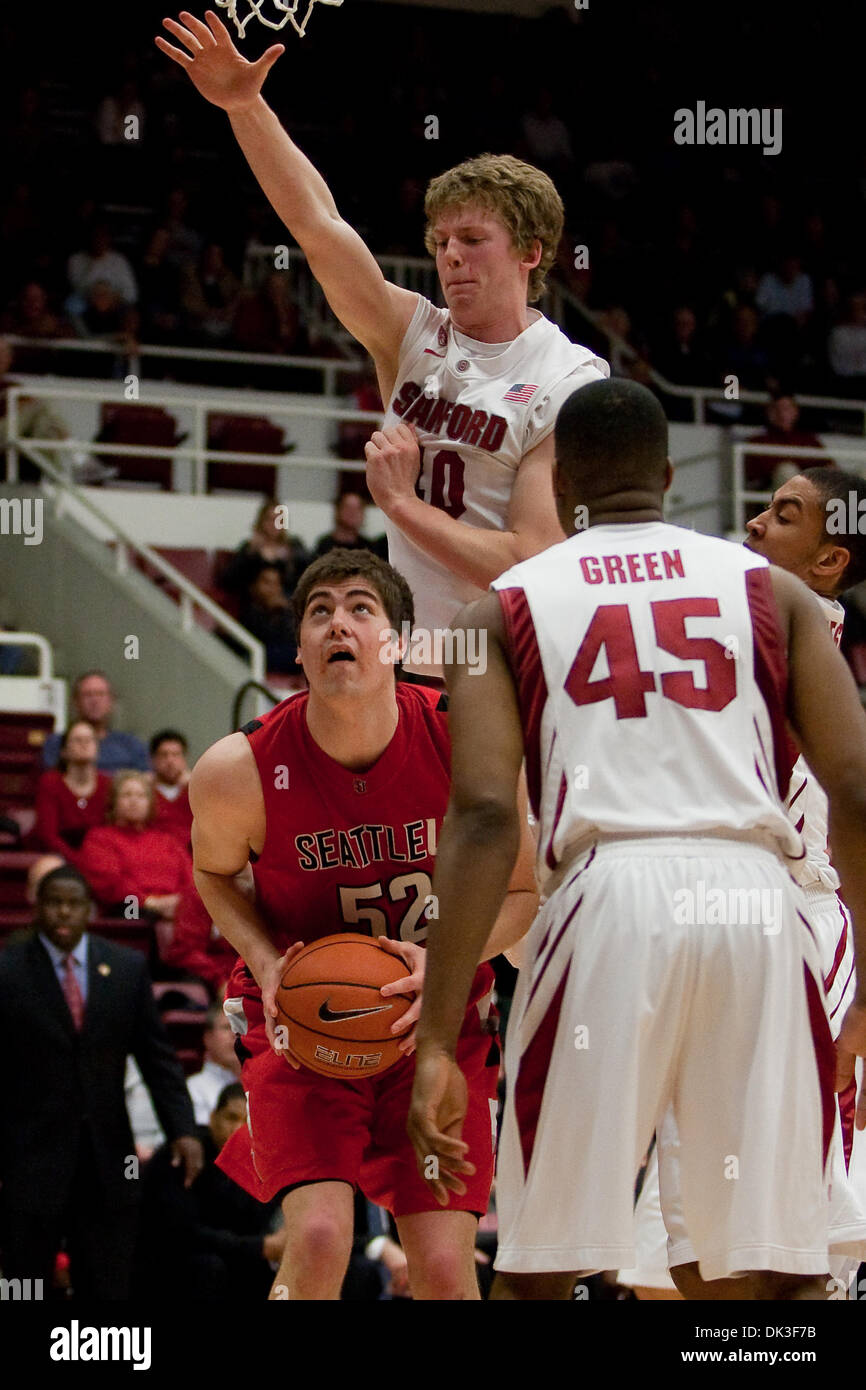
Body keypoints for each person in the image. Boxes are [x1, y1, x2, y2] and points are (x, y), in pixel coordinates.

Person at [407, 378, 866, 1301]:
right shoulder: (778, 594)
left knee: (543, 1269)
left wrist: (434, 1038)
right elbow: (856, 788)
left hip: (607, 899)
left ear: (564, 480)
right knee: (768, 1277)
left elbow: (488, 816)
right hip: (761, 906)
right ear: (666, 474)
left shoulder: (494, 610)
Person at [156, 10, 608, 679]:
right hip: (409, 671)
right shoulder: (411, 333)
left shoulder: (569, 377)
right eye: (441, 242)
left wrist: (400, 506)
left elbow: (527, 560)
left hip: (510, 675)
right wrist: (245, 106)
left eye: (472, 240)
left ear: (530, 253)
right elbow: (318, 225)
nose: (450, 257)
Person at [188, 548, 539, 1299]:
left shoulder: (470, 744)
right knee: (318, 1239)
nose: (337, 622)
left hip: (435, 1023)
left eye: (359, 607)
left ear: (398, 644)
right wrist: (266, 957)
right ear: (300, 650)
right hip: (305, 1026)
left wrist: (441, 963)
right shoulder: (237, 769)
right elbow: (212, 873)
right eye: (319, 611)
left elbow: (521, 893)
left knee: (446, 1266)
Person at [619, 465, 866, 1300]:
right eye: (763, 506)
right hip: (712, 922)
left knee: (794, 1241)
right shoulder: (740, 621)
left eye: (783, 515)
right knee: (677, 1258)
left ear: (829, 561)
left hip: (796, 923)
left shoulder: (797, 637)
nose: (755, 523)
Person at [0, 865, 201, 1298]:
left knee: (107, 1280)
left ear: (89, 909)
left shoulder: (125, 968)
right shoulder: (8, 970)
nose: (63, 914)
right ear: (37, 907)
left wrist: (183, 1129)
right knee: (23, 1282)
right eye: (54, 903)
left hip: (107, 1157)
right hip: (30, 1158)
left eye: (73, 904)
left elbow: (158, 1058)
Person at [135, 1082, 284, 1300]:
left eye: (248, 1123)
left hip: (233, 1259)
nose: (237, 1130)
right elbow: (180, 1234)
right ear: (213, 1117)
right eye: (231, 1118)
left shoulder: (262, 1163)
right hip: (168, 1263)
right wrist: (258, 1246)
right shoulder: (182, 1154)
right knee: (209, 1267)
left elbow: (260, 1227)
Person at [78, 769, 193, 919]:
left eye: (141, 796)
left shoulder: (167, 841)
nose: (134, 800)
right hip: (129, 908)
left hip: (175, 907)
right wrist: (150, 902)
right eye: (127, 795)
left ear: (150, 803)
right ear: (113, 801)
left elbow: (190, 879)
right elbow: (110, 884)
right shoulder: (99, 838)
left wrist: (181, 902)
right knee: (136, 912)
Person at [41, 670, 150, 772]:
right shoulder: (56, 744)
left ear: (111, 701)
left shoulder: (131, 745)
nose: (95, 701)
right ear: (76, 702)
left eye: (100, 694)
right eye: (88, 695)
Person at [34, 720, 112, 860]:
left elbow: (111, 832)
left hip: (97, 856)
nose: (84, 744)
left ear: (97, 749)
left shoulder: (108, 784)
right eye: (77, 740)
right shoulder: (50, 782)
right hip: (56, 856)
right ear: (64, 751)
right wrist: (78, 861)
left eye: (89, 740)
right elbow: (48, 836)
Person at [218, 500, 309, 600]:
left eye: (280, 520)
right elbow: (228, 580)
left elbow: (306, 576)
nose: (274, 524)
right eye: (270, 519)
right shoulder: (250, 548)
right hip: (256, 603)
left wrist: (289, 558)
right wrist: (252, 553)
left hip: (286, 600)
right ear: (261, 521)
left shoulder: (294, 547)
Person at [743, 392, 825, 493]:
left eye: (787, 409)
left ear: (796, 411)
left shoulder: (809, 440)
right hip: (770, 499)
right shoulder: (757, 441)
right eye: (776, 409)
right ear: (769, 412)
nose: (782, 414)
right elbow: (752, 481)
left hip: (807, 496)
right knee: (786, 471)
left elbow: (828, 468)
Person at [237, 561, 301, 679]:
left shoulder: (287, 610)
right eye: (267, 583)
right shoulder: (249, 612)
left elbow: (294, 642)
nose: (273, 589)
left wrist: (285, 612)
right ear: (253, 586)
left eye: (276, 584)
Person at [186, 1002, 242, 1123]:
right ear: (207, 1038)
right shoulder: (193, 1089)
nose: (235, 1035)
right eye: (227, 1027)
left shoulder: (261, 1086)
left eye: (240, 1028)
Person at [151, 728, 193, 850]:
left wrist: (195, 782)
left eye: (176, 755)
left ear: (184, 759)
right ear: (153, 759)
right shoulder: (144, 792)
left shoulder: (197, 790)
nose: (170, 761)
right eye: (164, 755)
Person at [312, 491, 384, 561]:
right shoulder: (325, 545)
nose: (353, 514)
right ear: (338, 511)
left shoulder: (368, 547)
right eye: (348, 508)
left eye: (358, 509)